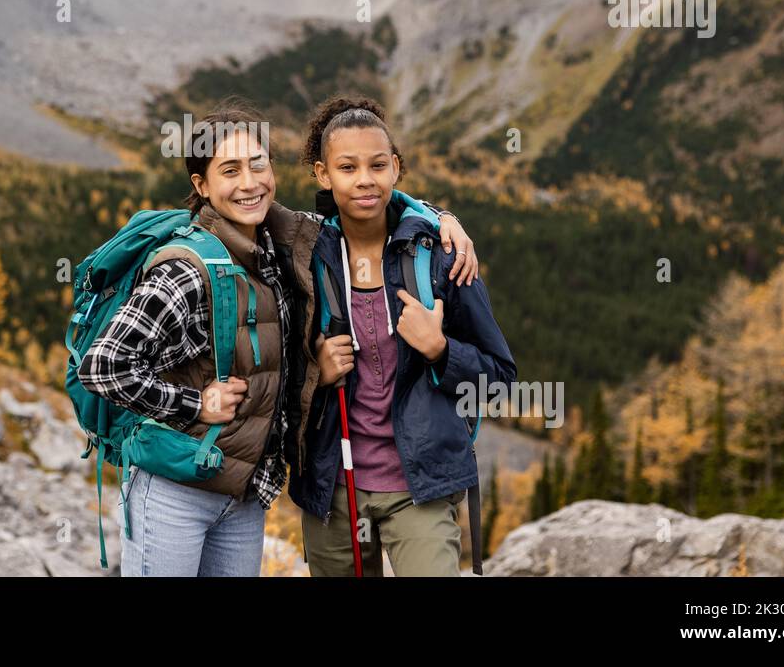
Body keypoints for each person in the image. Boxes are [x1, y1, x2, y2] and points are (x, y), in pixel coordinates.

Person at [78, 98, 478, 576]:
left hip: (243, 496)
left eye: (258, 165)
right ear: (202, 186)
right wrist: (194, 404)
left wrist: (437, 218)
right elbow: (103, 366)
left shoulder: (279, 243)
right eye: (230, 171)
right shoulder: (187, 268)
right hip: (175, 489)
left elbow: (369, 199)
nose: (249, 183)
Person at [288, 96, 516, 576]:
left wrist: (440, 350)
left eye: (377, 164)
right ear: (323, 175)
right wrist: (317, 372)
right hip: (332, 486)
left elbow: (500, 378)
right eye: (347, 167)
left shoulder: (444, 258)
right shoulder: (305, 256)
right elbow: (274, 370)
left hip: (421, 487)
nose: (364, 179)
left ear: (396, 168)